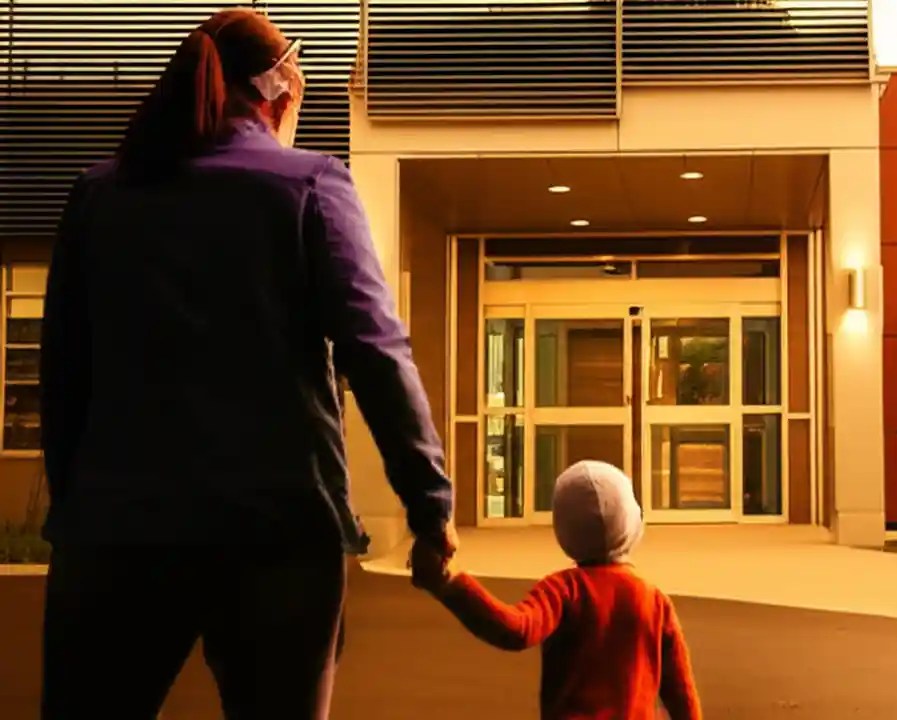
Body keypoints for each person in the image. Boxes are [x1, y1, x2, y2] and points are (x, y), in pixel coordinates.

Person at [38, 9, 455, 718]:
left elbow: (64, 371)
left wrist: (81, 504)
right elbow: (375, 350)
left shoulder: (100, 196)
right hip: (279, 535)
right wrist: (430, 503)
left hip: (117, 535)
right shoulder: (310, 185)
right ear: (280, 94)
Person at [411, 460, 703, 720]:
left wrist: (449, 583)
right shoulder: (654, 600)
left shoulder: (563, 590)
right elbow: (682, 693)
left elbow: (515, 630)